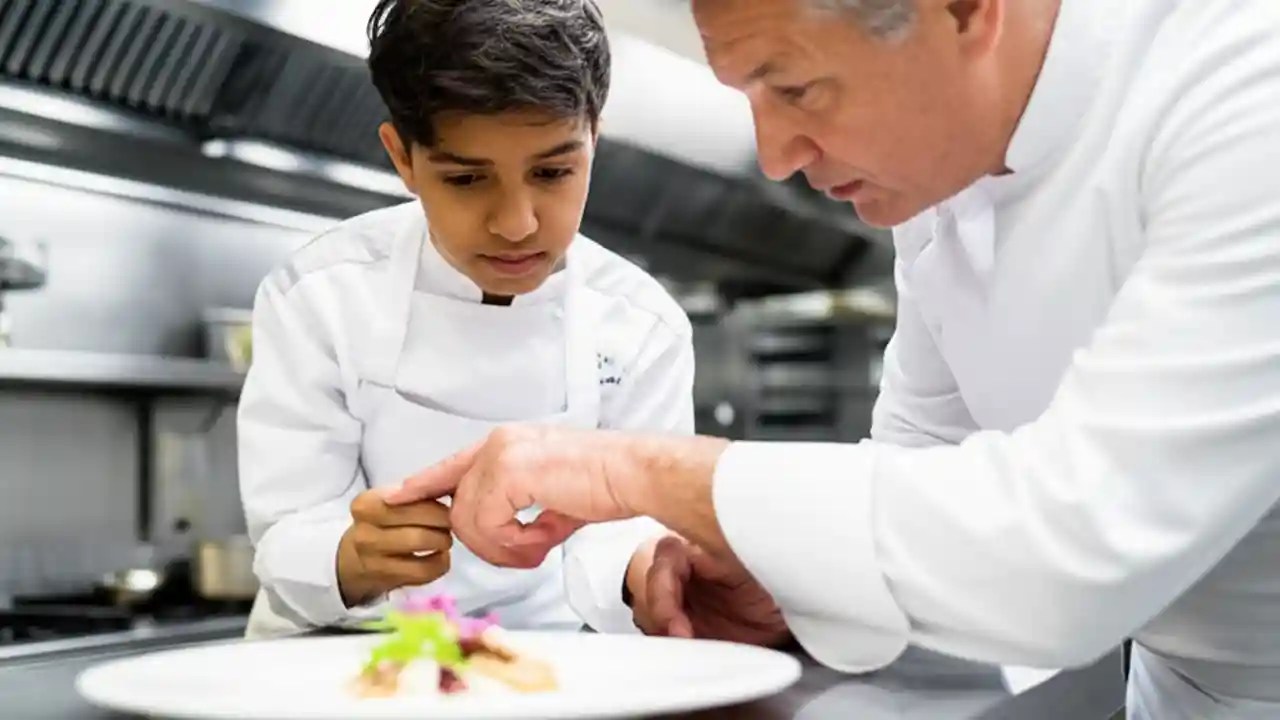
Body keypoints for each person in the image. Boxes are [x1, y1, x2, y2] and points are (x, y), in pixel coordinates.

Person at [386, 0, 1280, 717]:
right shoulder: (939, 183)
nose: (775, 157)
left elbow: (1076, 548)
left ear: (965, 11)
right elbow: (916, 475)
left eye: (798, 88)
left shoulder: (1242, 94)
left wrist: (634, 471)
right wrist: (788, 580)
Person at [236, 0, 694, 640]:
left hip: (551, 673)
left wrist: (645, 571)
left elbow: (630, 529)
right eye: (467, 179)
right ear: (403, 157)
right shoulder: (319, 296)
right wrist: (348, 558)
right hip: (339, 673)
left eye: (554, 172)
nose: (516, 223)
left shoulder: (644, 328)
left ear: (595, 138)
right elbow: (285, 533)